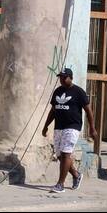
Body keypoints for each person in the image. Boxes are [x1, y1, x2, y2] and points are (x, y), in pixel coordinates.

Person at [42, 67, 96, 195]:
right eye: (60, 77)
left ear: (70, 77)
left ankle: (60, 184)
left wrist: (93, 128)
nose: (61, 79)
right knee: (60, 155)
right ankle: (76, 175)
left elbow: (88, 111)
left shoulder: (79, 92)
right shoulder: (57, 91)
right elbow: (53, 110)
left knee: (66, 153)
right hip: (59, 126)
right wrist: (46, 126)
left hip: (73, 126)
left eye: (64, 77)